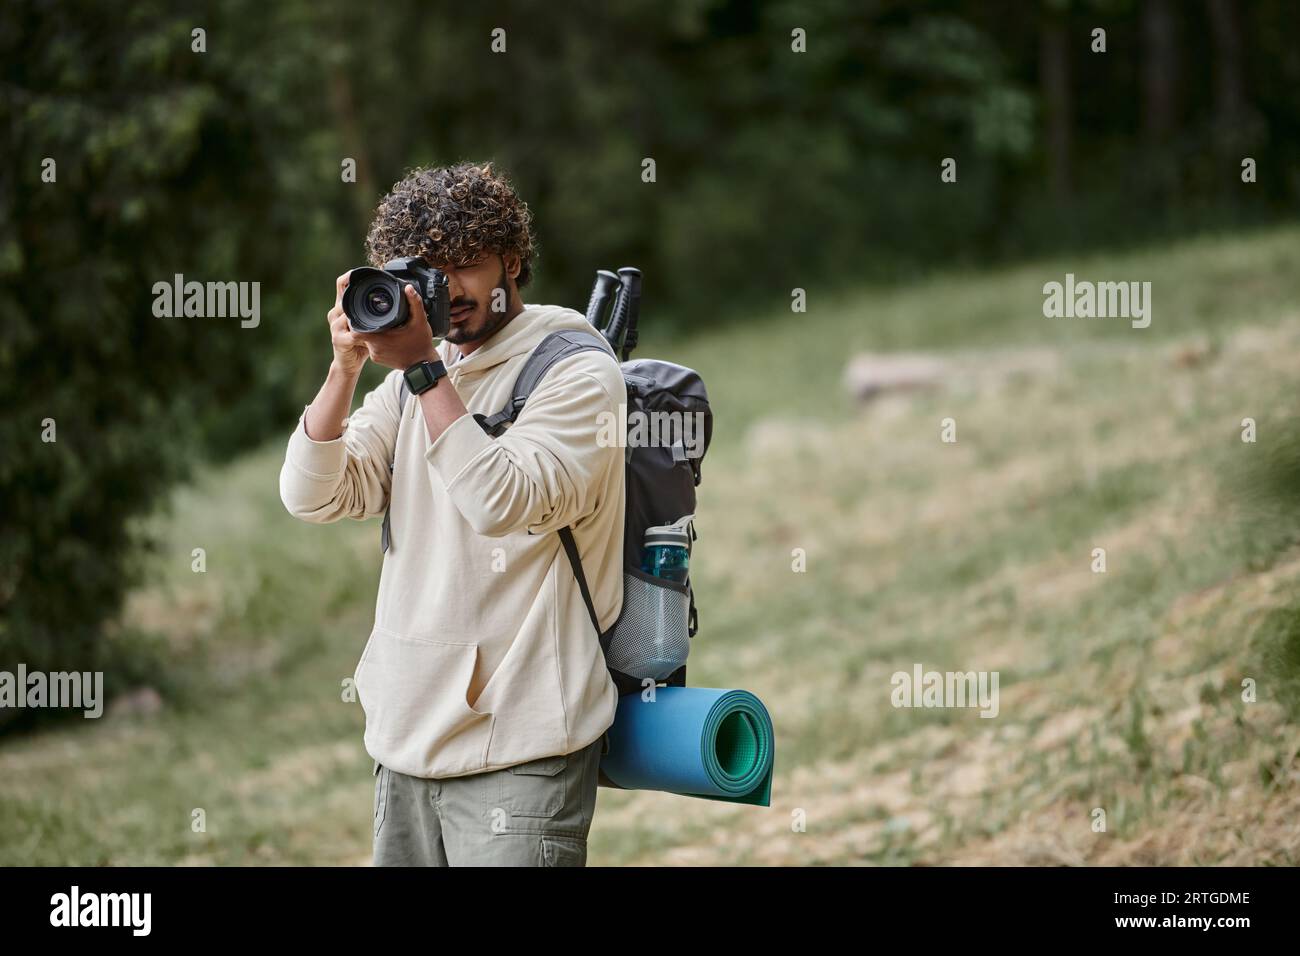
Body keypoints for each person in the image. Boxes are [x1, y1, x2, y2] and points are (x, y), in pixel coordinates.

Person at [279, 161, 625, 866]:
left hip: (525, 745)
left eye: (466, 264)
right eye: (426, 270)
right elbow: (311, 495)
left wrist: (421, 369)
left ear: (513, 261)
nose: (448, 290)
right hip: (407, 739)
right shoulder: (414, 378)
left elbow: (504, 500)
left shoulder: (577, 372)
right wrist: (347, 366)